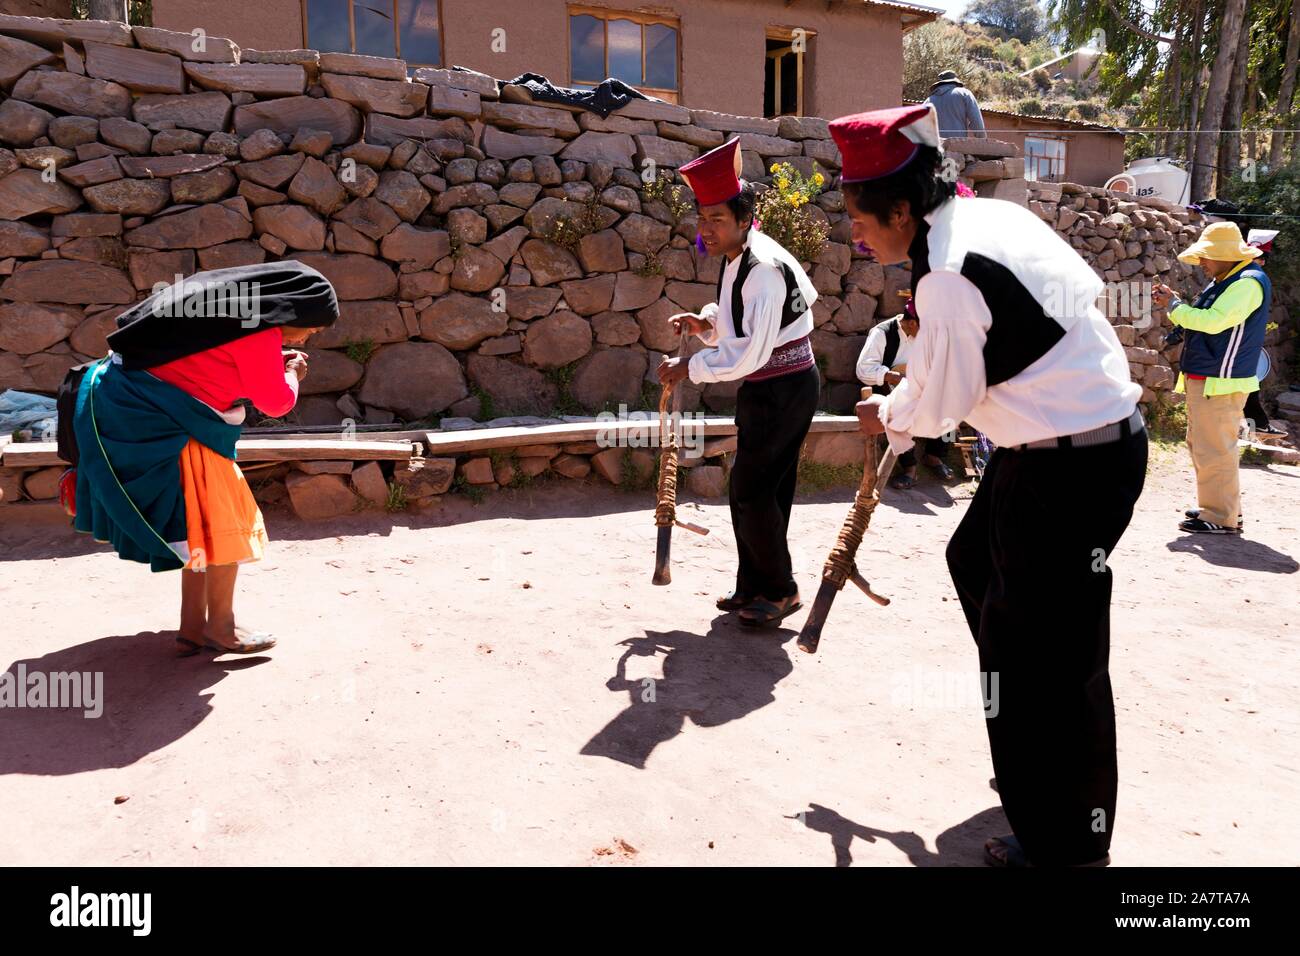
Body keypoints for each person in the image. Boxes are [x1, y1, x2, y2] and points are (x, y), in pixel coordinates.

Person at [835, 103, 1146, 867]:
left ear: (902, 208)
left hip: (1068, 466)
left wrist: (890, 412)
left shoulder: (949, 272)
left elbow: (939, 407)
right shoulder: (989, 221)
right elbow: (1066, 305)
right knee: (976, 565)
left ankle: (1069, 840)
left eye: (861, 219)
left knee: (1051, 650)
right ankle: (1040, 748)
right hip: (1054, 447)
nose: (856, 234)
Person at [69, 262, 339, 656]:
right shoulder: (257, 333)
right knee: (227, 528)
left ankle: (193, 627)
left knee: (197, 530)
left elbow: (213, 361)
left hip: (142, 417)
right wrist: (293, 373)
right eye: (315, 326)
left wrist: (271, 359)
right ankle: (223, 628)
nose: (313, 335)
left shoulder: (224, 315)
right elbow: (276, 402)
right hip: (183, 430)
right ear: (296, 311)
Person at [656, 138, 820, 628]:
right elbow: (734, 323)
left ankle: (781, 590)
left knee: (751, 491)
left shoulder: (763, 270)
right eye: (702, 218)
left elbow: (751, 351)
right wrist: (703, 323)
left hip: (785, 388)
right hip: (767, 389)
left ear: (745, 220)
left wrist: (690, 368)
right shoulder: (736, 258)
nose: (706, 229)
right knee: (760, 492)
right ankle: (754, 586)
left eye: (717, 220)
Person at [1153, 221, 1271, 535]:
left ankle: (1220, 516)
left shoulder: (1246, 283)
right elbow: (1205, 318)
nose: (1202, 263)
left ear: (1224, 254)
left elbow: (1214, 322)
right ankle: (1223, 511)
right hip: (1211, 377)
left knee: (1214, 448)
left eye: (1206, 256)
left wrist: (1175, 306)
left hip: (1221, 380)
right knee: (1206, 445)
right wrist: (1176, 306)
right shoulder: (1227, 280)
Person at [855, 295, 954, 489]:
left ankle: (934, 457)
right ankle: (910, 469)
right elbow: (863, 369)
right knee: (899, 412)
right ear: (910, 322)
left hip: (918, 389)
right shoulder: (882, 333)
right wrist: (891, 376)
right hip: (888, 391)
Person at [925, 69, 986, 139]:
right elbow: (977, 122)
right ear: (955, 82)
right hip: (958, 145)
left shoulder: (928, 101)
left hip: (935, 147)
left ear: (940, 83)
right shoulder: (964, 93)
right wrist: (983, 141)